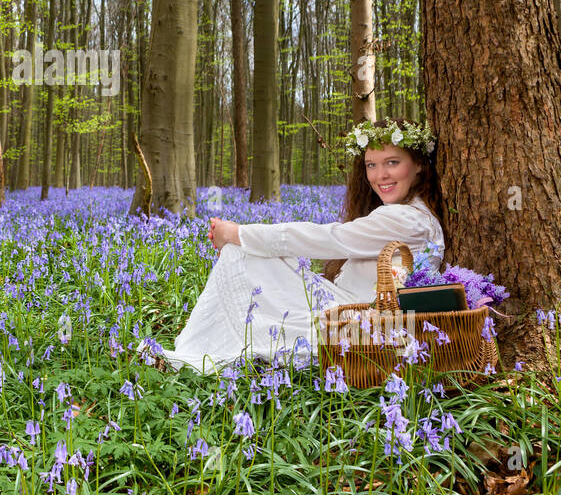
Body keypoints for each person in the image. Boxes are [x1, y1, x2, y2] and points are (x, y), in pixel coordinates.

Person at [162, 118, 447, 374]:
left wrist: (240, 234)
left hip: (357, 325)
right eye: (372, 165)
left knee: (243, 253)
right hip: (352, 314)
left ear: (419, 164)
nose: (380, 175)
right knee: (251, 257)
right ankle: (198, 352)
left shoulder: (407, 219)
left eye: (392, 162)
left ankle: (193, 355)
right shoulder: (411, 213)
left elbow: (330, 239)